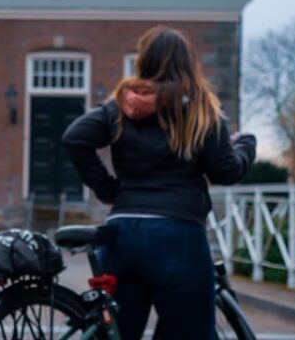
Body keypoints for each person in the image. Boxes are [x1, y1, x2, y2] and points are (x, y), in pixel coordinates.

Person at [62, 26, 256, 340]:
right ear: (188, 64)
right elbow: (226, 171)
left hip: (122, 235)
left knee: (119, 335)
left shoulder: (122, 105)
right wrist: (246, 144)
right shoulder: (200, 108)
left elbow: (75, 138)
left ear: (144, 61)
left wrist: (109, 190)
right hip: (178, 238)